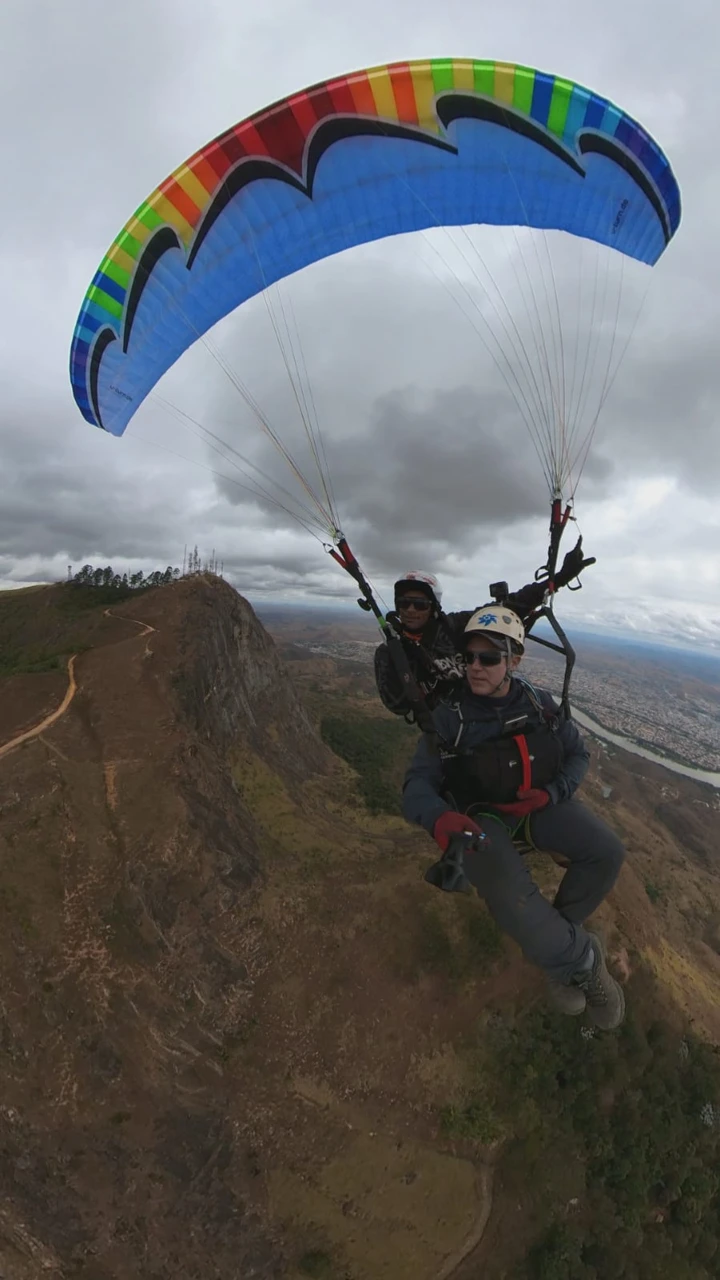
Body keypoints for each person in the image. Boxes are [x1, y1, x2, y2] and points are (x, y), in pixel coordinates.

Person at [401, 605, 626, 1029]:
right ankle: (583, 960)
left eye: (488, 658)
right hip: (479, 818)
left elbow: (577, 754)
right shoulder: (450, 718)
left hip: (536, 807)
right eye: (469, 657)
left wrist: (551, 793)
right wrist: (438, 819)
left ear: (514, 661)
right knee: (514, 901)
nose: (474, 667)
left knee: (606, 851)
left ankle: (557, 947)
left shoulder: (538, 704)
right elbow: (416, 784)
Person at [374, 540, 594, 729]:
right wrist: (404, 667)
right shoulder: (391, 652)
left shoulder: (454, 625)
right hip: (448, 728)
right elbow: (397, 705)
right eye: (404, 603)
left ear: (433, 607)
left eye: (419, 604)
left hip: (487, 708)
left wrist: (560, 578)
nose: (410, 610)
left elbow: (508, 608)